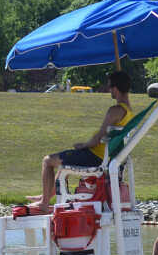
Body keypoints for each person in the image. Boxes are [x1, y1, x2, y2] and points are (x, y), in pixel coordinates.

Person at [29, 71, 133, 213]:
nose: (109, 90)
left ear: (115, 88)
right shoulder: (130, 112)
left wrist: (83, 145)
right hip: (103, 156)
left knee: (47, 161)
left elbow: (98, 139)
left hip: (94, 157)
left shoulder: (115, 110)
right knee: (62, 165)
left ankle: (44, 204)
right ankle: (46, 197)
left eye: (109, 87)